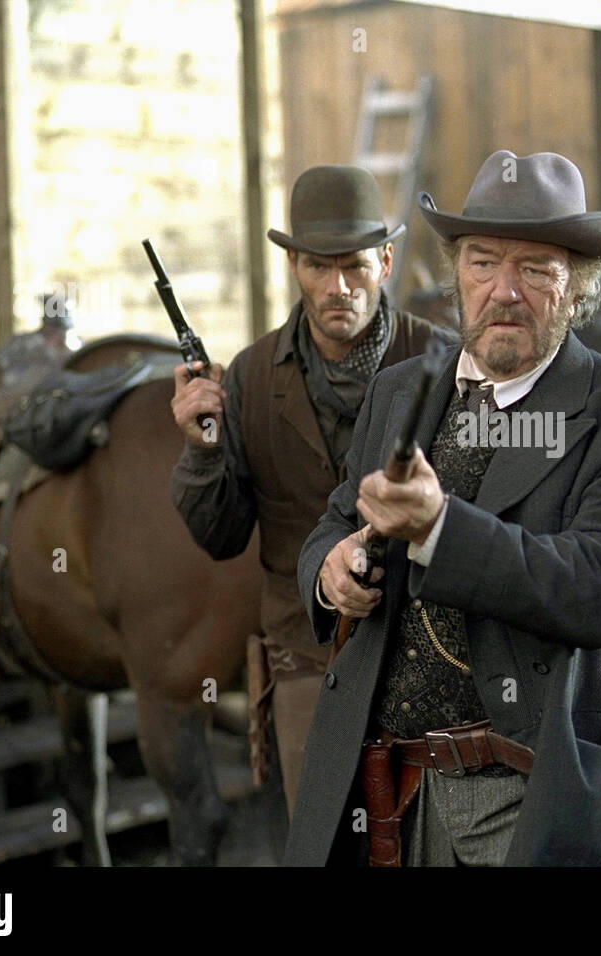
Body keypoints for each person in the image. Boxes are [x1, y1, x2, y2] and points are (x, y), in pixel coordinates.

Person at [287, 150, 601, 866]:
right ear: (456, 276)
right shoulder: (401, 391)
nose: (504, 291)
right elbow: (336, 517)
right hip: (380, 786)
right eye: (482, 263)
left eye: (536, 268)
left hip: (522, 792)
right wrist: (329, 567)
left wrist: (440, 531)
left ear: (578, 289)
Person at [169, 165, 452, 817]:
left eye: (354, 265)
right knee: (320, 838)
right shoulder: (250, 375)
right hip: (305, 652)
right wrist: (202, 448)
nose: (338, 287)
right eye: (318, 267)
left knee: (423, 841)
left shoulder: (440, 362)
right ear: (293, 265)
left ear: (385, 261)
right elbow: (220, 536)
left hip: (427, 647)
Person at [0, 292, 82, 388]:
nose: (59, 336)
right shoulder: (22, 344)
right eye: (55, 330)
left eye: (62, 330)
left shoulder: (74, 346)